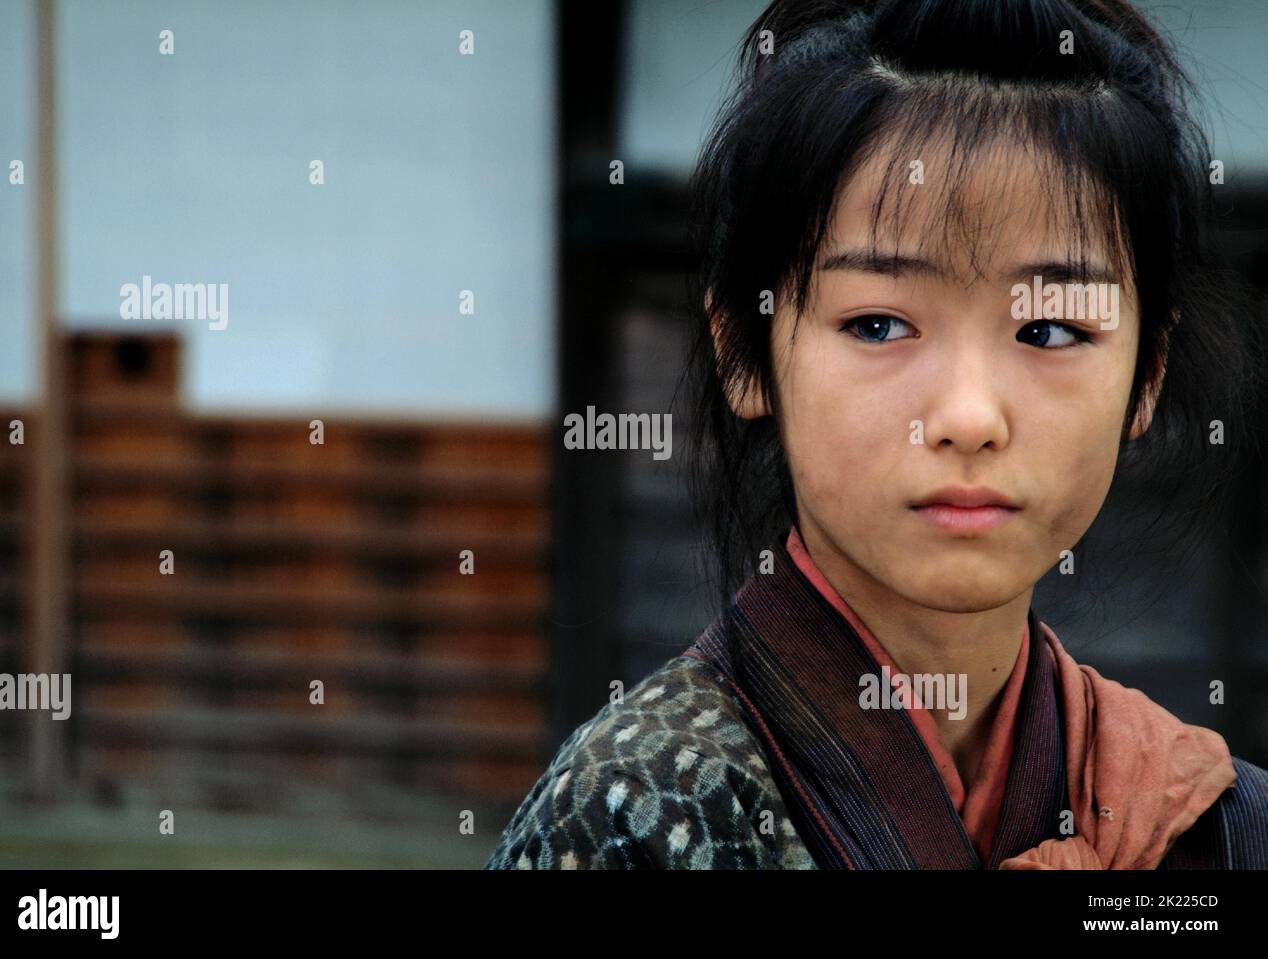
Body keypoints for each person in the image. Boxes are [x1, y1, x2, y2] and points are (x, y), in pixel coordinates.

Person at [486, 0, 1268, 869]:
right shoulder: (634, 812)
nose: (969, 418)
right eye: (878, 325)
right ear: (745, 355)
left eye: (1050, 329)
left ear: (1145, 376)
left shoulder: (1210, 826)